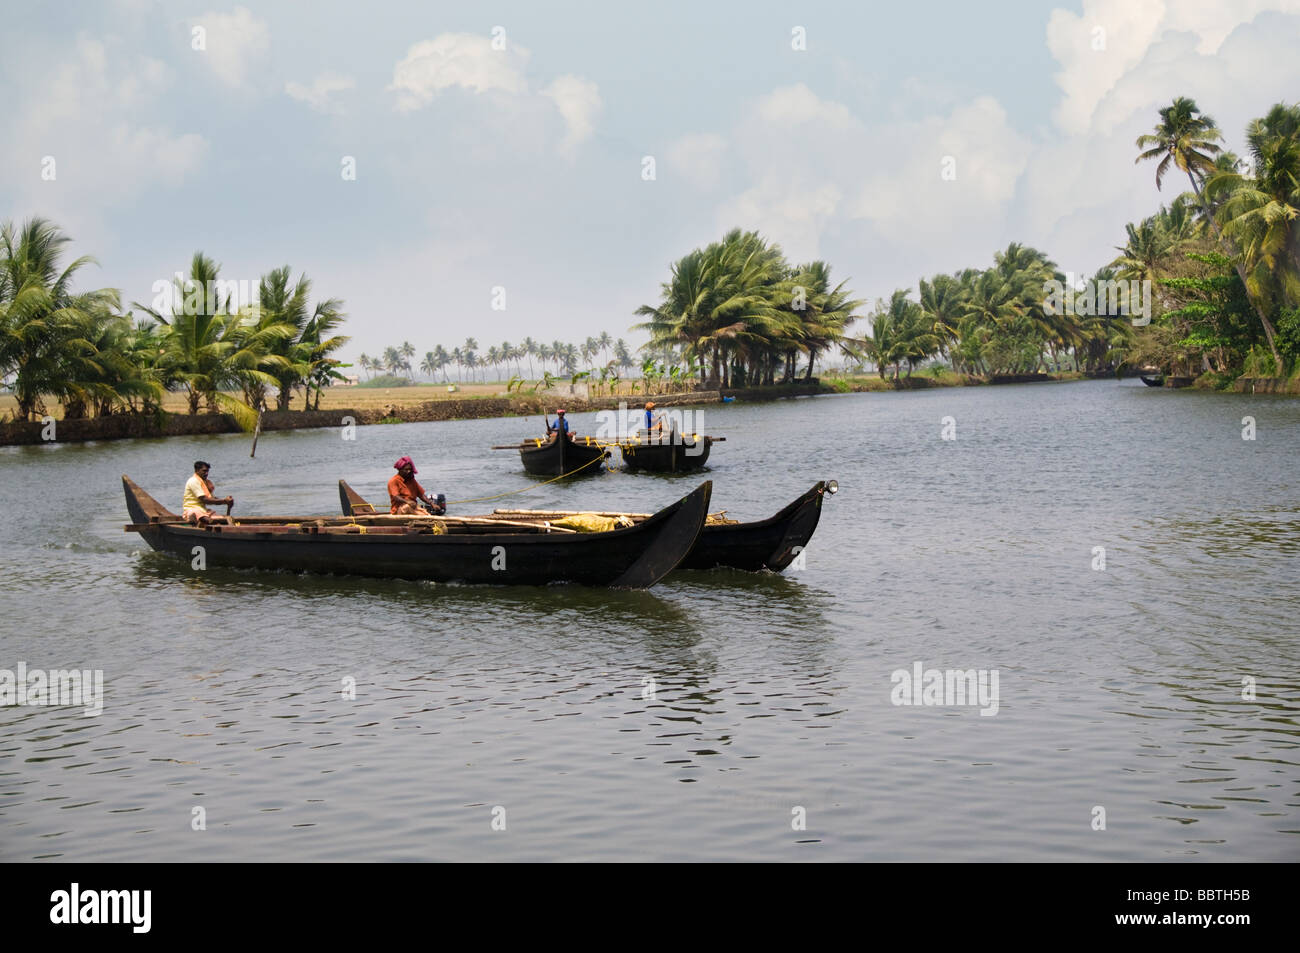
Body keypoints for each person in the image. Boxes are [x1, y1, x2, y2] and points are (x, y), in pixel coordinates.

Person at [182, 461, 233, 525]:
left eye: (207, 471)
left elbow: (212, 499)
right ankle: (202, 521)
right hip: (192, 509)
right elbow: (204, 499)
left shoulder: (205, 482)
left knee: (222, 519)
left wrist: (227, 501)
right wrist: (224, 501)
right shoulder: (193, 481)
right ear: (197, 470)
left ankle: (209, 522)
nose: (206, 473)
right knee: (198, 514)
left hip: (203, 511)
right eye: (204, 471)